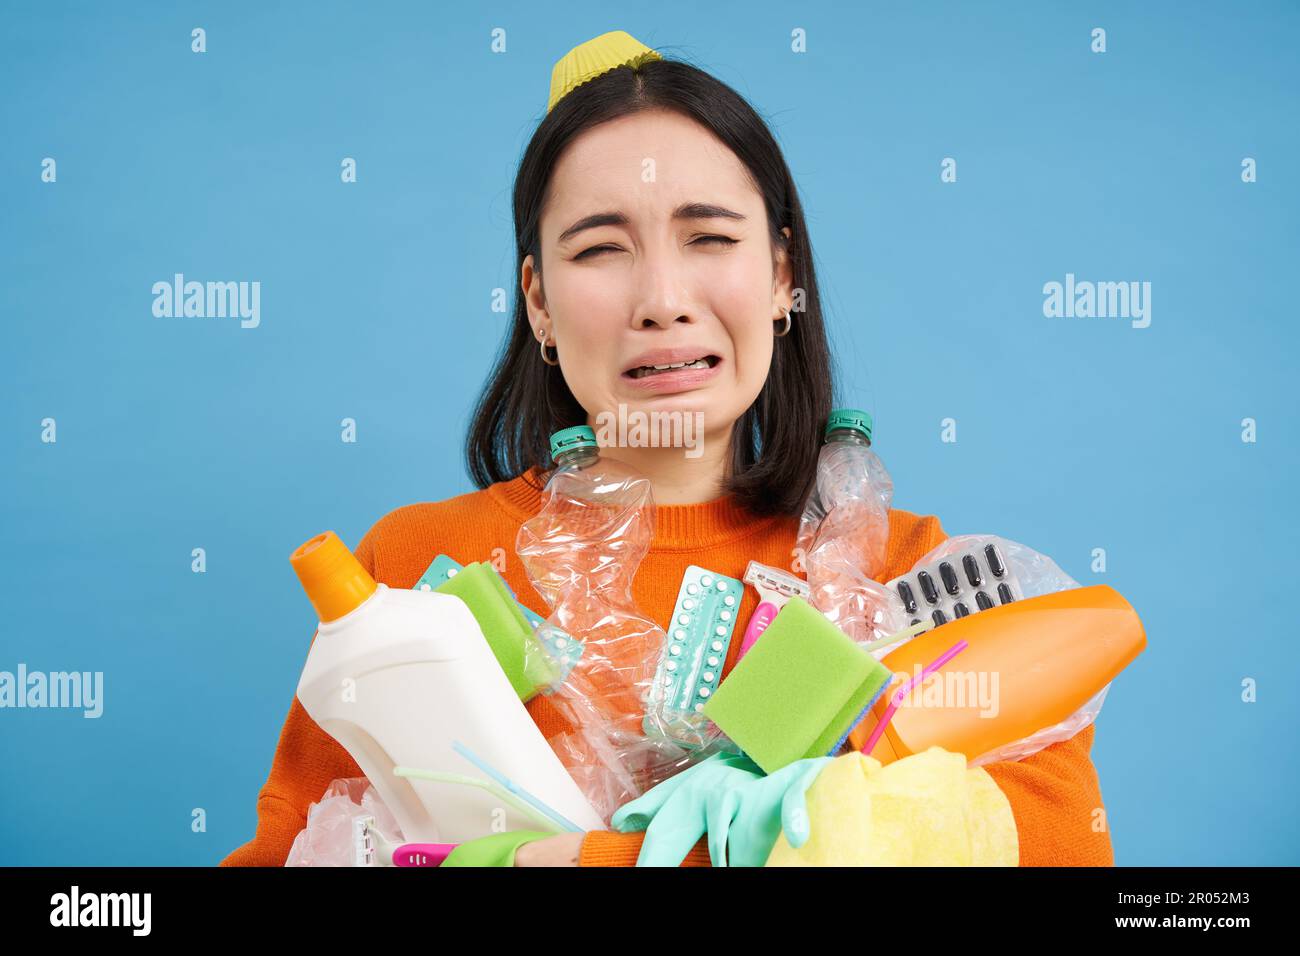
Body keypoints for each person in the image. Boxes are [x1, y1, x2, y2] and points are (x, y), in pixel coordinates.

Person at [221, 30, 1113, 868]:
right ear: (538, 302)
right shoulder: (417, 576)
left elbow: (1051, 843)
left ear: (781, 275)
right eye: (601, 249)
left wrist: (588, 857)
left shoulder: (906, 586)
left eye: (710, 237)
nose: (661, 298)